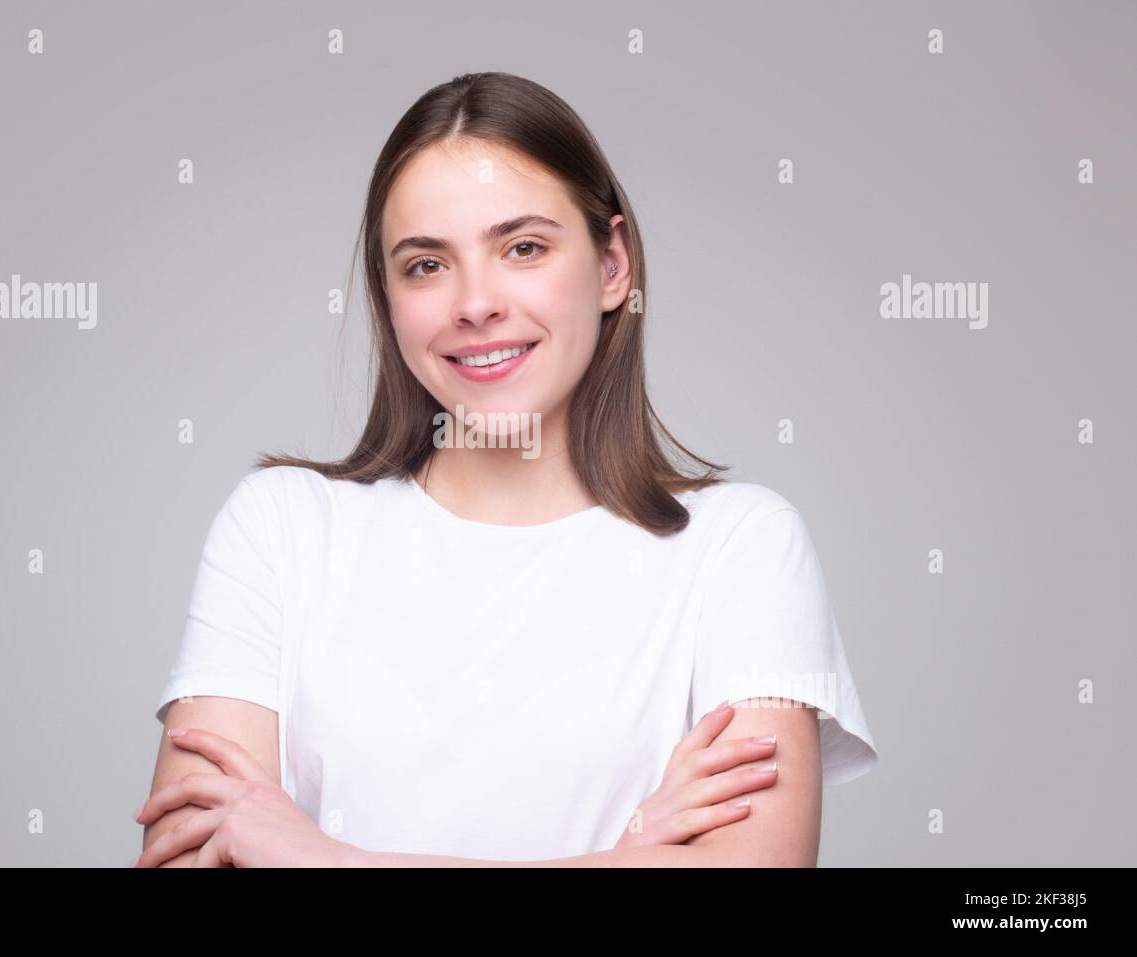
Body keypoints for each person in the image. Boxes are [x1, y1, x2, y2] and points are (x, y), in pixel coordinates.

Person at [134, 72, 878, 868]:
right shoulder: (279, 527)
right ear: (389, 297)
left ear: (613, 264)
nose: (475, 302)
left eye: (522, 247)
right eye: (426, 265)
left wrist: (317, 855)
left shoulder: (742, 547)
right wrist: (628, 858)